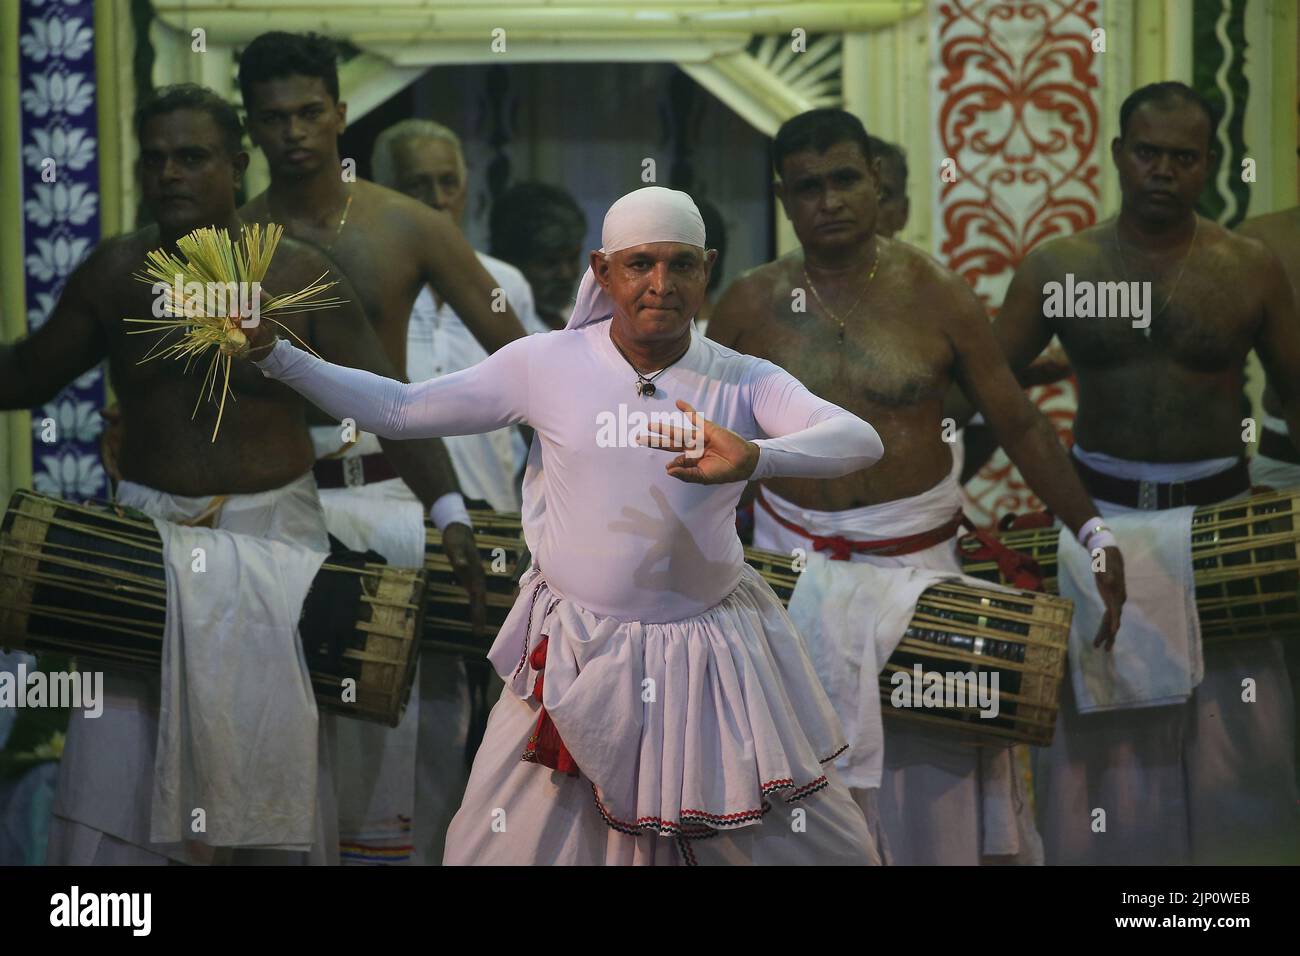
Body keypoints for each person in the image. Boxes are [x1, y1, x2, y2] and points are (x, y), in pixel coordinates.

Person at [243, 186, 889, 865]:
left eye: (682, 264)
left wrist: (757, 456)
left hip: (710, 655)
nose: (661, 284)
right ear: (602, 270)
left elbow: (859, 439)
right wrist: (277, 356)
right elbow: (400, 411)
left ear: (708, 268)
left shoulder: (743, 380)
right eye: (640, 264)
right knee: (487, 849)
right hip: (573, 653)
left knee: (828, 853)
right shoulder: (546, 363)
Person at [0, 84, 461, 864]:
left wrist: (450, 512)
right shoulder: (116, 275)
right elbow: (25, 375)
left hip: (276, 548)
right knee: (120, 766)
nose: (170, 174)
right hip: (143, 553)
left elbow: (391, 406)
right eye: (155, 160)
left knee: (272, 778)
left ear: (237, 165)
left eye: (192, 157)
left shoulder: (300, 274)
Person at [708, 108, 1124, 865]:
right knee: (795, 791)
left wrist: (1093, 532)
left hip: (919, 569)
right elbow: (703, 444)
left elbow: (1019, 422)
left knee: (930, 785)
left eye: (845, 179)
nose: (830, 200)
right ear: (784, 198)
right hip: (789, 570)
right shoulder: (746, 304)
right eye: (808, 187)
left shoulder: (937, 293)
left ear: (876, 179)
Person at [949, 81, 1300, 864]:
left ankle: (1229, 899)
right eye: (1147, 153)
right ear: (1117, 154)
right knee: (1098, 736)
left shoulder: (1250, 267)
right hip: (1094, 518)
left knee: (1237, 732)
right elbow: (981, 389)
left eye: (1183, 156)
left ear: (1210, 162)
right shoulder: (1059, 265)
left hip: (1220, 520)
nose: (1163, 170)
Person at [236, 32, 533, 865]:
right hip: (276, 509)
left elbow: (527, 363)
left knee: (422, 742)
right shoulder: (230, 240)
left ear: (339, 112)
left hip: (404, 498)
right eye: (273, 117)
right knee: (286, 744)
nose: (294, 131)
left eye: (309, 112)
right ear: (250, 127)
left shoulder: (408, 226)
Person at [370, 117, 547, 864]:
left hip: (496, 536)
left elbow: (541, 410)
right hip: (392, 527)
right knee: (404, 717)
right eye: (419, 185)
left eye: (449, 182)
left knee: (489, 725)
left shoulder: (503, 283)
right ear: (382, 192)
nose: (439, 199)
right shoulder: (366, 279)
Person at [489, 181, 588, 331]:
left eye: (573, 258)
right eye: (550, 262)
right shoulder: (491, 321)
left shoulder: (583, 318)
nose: (566, 275)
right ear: (511, 262)